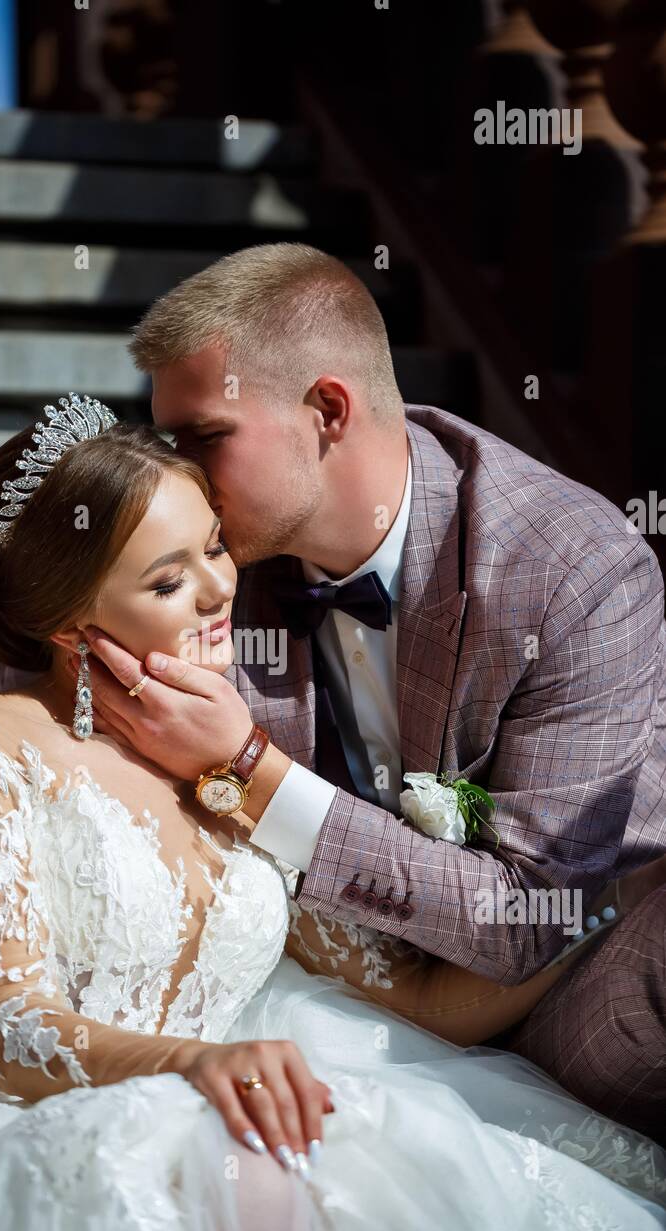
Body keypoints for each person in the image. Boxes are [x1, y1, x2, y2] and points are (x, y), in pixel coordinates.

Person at [0, 394, 663, 1231]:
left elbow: (422, 1003)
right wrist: (200, 1067)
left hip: (246, 1103)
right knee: (247, 1184)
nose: (220, 590)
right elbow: (4, 1025)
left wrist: (600, 899)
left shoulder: (224, 774)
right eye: (169, 581)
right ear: (69, 628)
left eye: (214, 546)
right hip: (58, 1128)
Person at [73, 240, 666, 1145]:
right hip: (321, 994)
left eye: (204, 437)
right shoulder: (204, 566)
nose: (179, 474)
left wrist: (249, 771)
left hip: (564, 985)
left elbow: (525, 919)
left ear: (327, 410)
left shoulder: (570, 570)